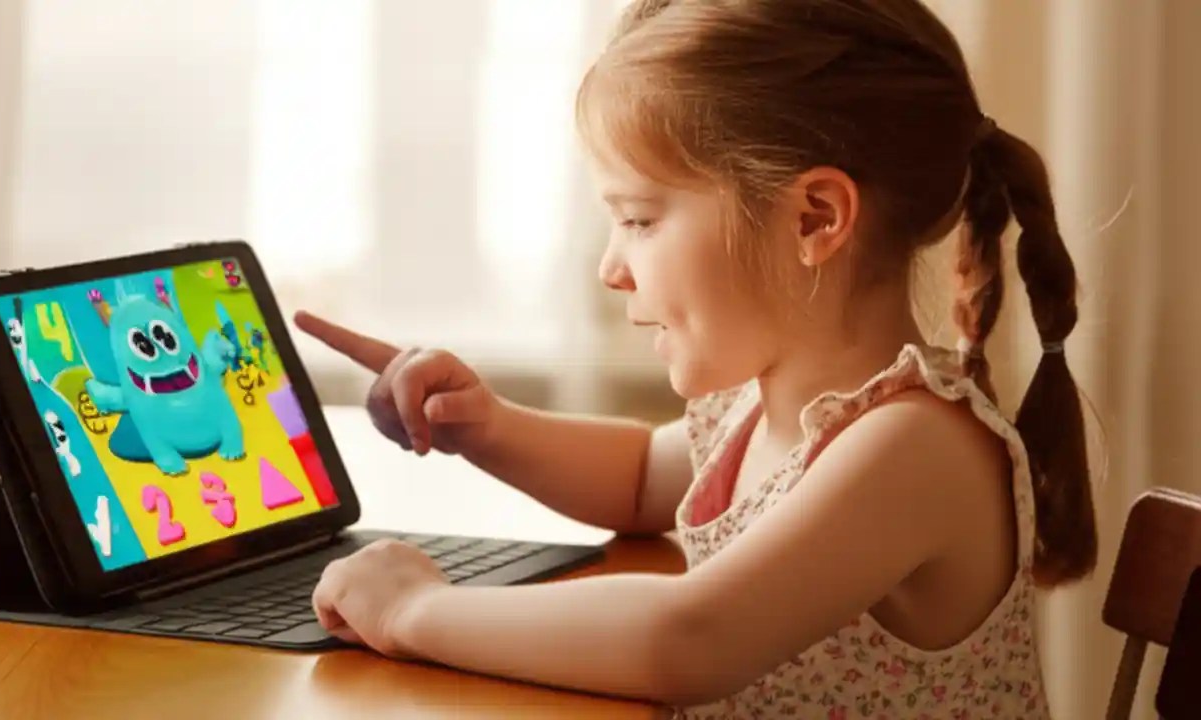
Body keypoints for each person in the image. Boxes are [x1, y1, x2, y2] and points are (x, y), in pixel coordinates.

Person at [294, 0, 1098, 716]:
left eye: (639, 219)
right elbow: (642, 476)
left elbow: (688, 640)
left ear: (814, 218)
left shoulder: (914, 447)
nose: (611, 267)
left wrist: (416, 613)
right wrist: (484, 425)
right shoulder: (773, 407)